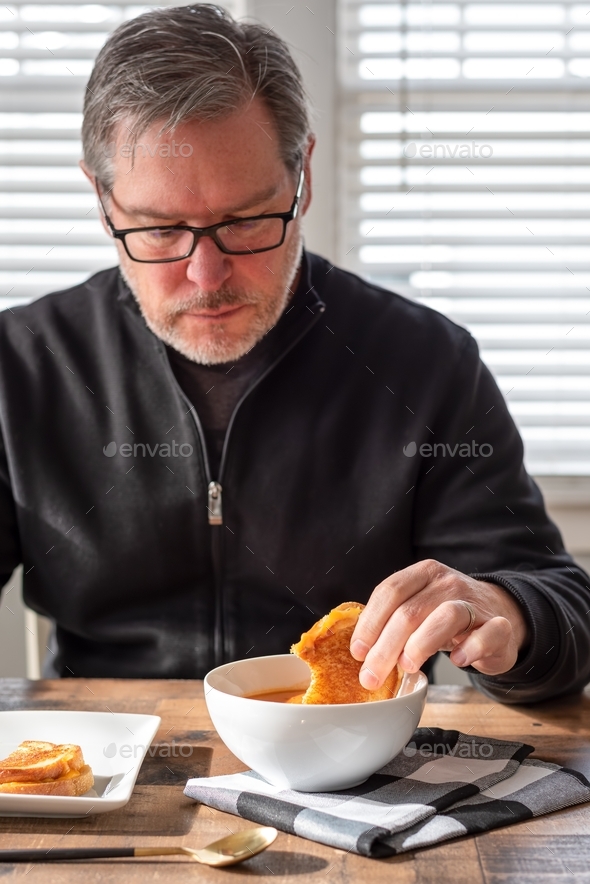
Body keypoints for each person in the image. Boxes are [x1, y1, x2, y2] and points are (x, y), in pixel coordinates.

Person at [0, 4, 587, 704]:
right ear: (102, 201)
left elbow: (563, 609)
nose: (206, 275)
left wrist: (510, 613)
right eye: (159, 230)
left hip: (357, 773)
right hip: (108, 770)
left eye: (247, 220)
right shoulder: (23, 366)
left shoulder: (426, 363)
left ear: (302, 175)